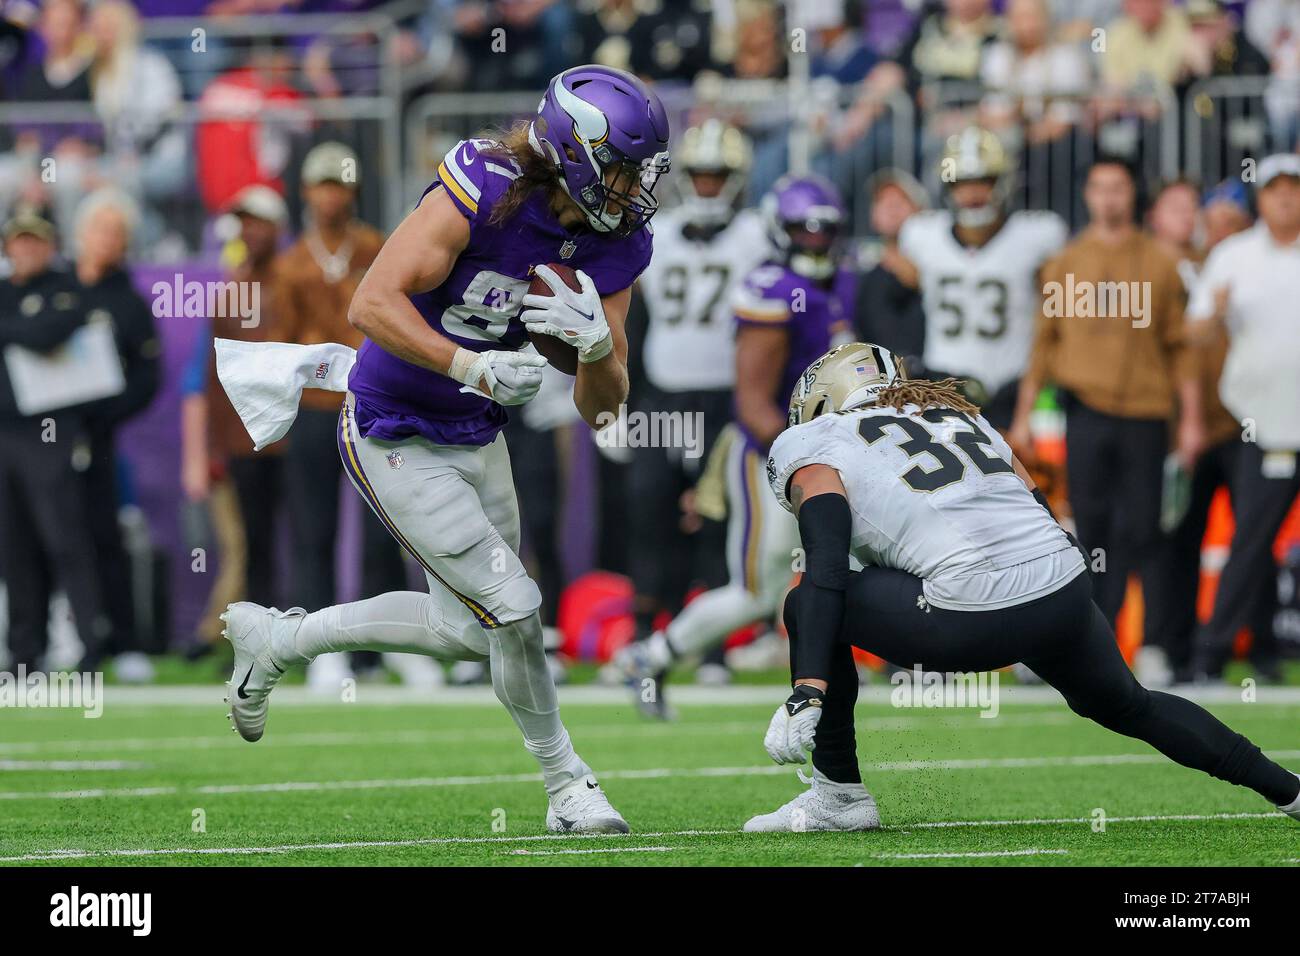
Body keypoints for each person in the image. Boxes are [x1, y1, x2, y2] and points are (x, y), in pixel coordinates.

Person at [219, 65, 670, 834]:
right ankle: (569, 785)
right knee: (518, 608)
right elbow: (371, 301)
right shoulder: (487, 187)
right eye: (623, 169)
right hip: (391, 424)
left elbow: (604, 407)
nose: (634, 190)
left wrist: (598, 349)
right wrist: (470, 363)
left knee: (469, 632)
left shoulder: (616, 241)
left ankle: (278, 639)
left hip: (475, 430)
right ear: (577, 152)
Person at [745, 341, 1300, 832]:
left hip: (971, 613)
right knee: (1132, 705)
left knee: (804, 600)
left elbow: (824, 567)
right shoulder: (963, 417)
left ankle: (838, 797)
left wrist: (809, 689)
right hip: (1062, 589)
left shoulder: (813, 441)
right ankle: (1287, 789)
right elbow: (1037, 508)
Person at [615, 174, 850, 718]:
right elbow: (753, 402)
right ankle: (649, 655)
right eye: (802, 230)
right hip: (777, 457)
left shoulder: (832, 284)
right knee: (755, 591)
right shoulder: (772, 287)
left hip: (821, 453)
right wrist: (813, 457)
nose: (814, 240)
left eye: (824, 231)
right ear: (780, 230)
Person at [1008, 154, 1201, 627]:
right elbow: (1043, 346)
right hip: (1086, 409)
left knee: (1145, 526)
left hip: (1147, 411)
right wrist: (1022, 418)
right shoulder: (1064, 263)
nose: (1109, 197)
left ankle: (1155, 638)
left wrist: (1191, 420)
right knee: (1090, 524)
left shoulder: (1161, 264)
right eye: (1100, 187)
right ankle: (1099, 631)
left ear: (1133, 194)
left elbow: (1181, 349)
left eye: (1119, 186)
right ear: (1087, 195)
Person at [625, 120, 768, 661]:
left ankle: (710, 646)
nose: (708, 185)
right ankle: (644, 628)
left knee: (718, 515)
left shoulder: (756, 235)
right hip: (664, 396)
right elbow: (632, 323)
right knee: (648, 506)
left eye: (718, 176)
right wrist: (625, 403)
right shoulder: (655, 231)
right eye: (701, 176)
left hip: (727, 399)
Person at [269, 141, 410, 689]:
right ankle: (318, 645)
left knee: (386, 526)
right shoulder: (291, 263)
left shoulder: (375, 246)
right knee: (312, 529)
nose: (331, 196)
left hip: (370, 403)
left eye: (340, 184)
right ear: (307, 191)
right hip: (314, 407)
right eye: (323, 184)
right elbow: (284, 342)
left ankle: (380, 647)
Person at [1188, 154, 1300, 681]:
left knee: (1256, 541)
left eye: (1293, 189)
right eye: (1276, 189)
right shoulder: (1234, 255)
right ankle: (1214, 653)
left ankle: (1263, 654)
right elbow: (1195, 335)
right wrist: (1215, 312)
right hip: (1262, 422)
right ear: (1261, 197)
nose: (1285, 198)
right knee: (1252, 540)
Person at [180, 185, 290, 654]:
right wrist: (211, 448)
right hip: (245, 440)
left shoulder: (293, 279)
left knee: (306, 538)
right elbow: (213, 376)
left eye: (259, 221)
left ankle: (309, 643)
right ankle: (260, 644)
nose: (250, 231)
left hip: (293, 434)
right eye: (243, 222)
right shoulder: (231, 291)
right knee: (253, 543)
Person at [897, 127, 1067, 429]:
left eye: (983, 182)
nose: (972, 194)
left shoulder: (1036, 235)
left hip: (1012, 387)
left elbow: (1058, 307)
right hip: (943, 384)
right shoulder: (922, 234)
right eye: (962, 183)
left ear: (1003, 181)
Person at [0, 209, 108, 670]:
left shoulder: (66, 289)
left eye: (34, 242)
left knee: (64, 539)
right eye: (18, 242)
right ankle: (25, 649)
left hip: (50, 435)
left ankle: (90, 642)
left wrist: (9, 332)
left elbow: (51, 332)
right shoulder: (6, 292)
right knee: (14, 543)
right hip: (5, 434)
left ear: (49, 246)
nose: (25, 250)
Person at [73, 188, 160, 680]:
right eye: (100, 229)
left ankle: (123, 639)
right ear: (80, 233)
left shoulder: (126, 300)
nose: (108, 240)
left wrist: (105, 412)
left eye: (117, 232)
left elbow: (147, 376)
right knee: (46, 540)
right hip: (43, 440)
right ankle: (58, 639)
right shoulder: (56, 285)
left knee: (108, 535)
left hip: (98, 439)